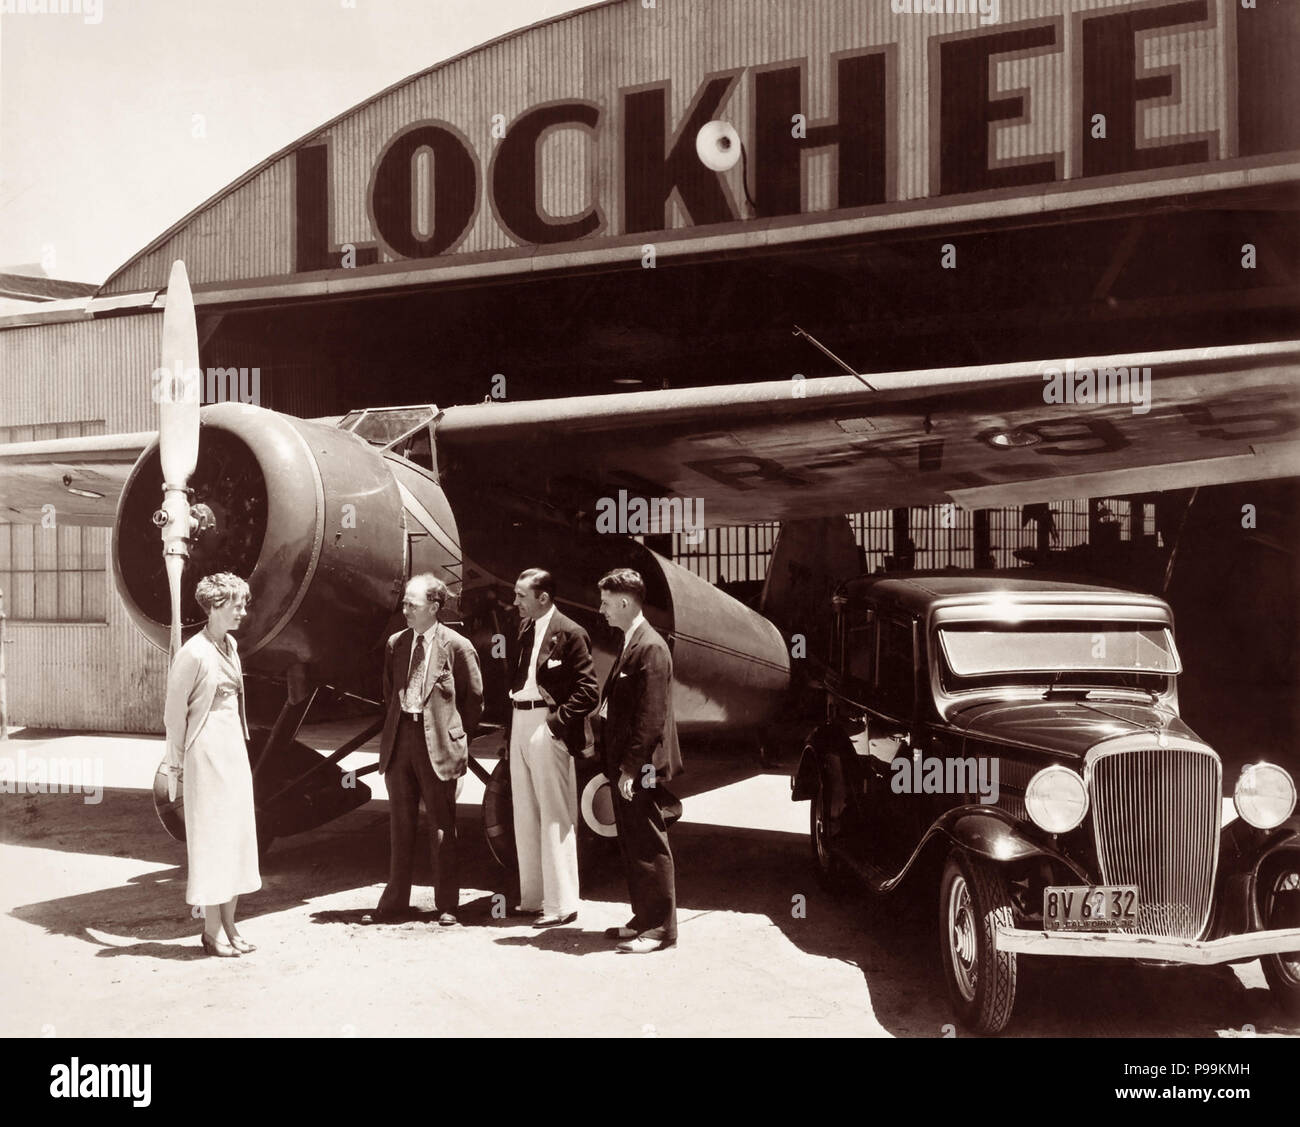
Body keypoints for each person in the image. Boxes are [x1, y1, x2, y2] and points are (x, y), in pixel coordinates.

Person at [372, 574, 483, 926]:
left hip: (437, 744)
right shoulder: (396, 644)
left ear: (434, 608)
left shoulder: (458, 646)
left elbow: (474, 700)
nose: (404, 609)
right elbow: (391, 693)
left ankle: (447, 904)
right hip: (401, 740)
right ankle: (394, 903)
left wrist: (452, 735)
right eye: (404, 602)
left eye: (412, 604)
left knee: (442, 825)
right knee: (400, 825)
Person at [162, 572, 261, 958]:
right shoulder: (193, 653)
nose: (243, 610)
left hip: (233, 750)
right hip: (205, 752)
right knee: (213, 840)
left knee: (236, 836)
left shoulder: (230, 645)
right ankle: (211, 931)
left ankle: (232, 925)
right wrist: (175, 763)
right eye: (237, 604)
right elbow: (174, 715)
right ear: (215, 606)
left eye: (243, 603)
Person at [595, 568, 682, 953]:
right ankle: (642, 917)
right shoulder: (633, 641)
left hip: (640, 765)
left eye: (606, 603)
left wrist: (631, 768)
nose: (601, 610)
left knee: (649, 841)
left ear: (626, 602)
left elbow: (651, 718)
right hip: (624, 762)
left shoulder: (650, 647)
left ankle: (661, 929)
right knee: (631, 840)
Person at [506, 568, 599, 927]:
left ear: (543, 598)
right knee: (524, 812)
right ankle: (533, 898)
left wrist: (556, 724)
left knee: (555, 813)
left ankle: (561, 904)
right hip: (519, 720)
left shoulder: (572, 633)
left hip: (547, 723)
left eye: (521, 596)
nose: (515, 602)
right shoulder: (525, 628)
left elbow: (589, 691)